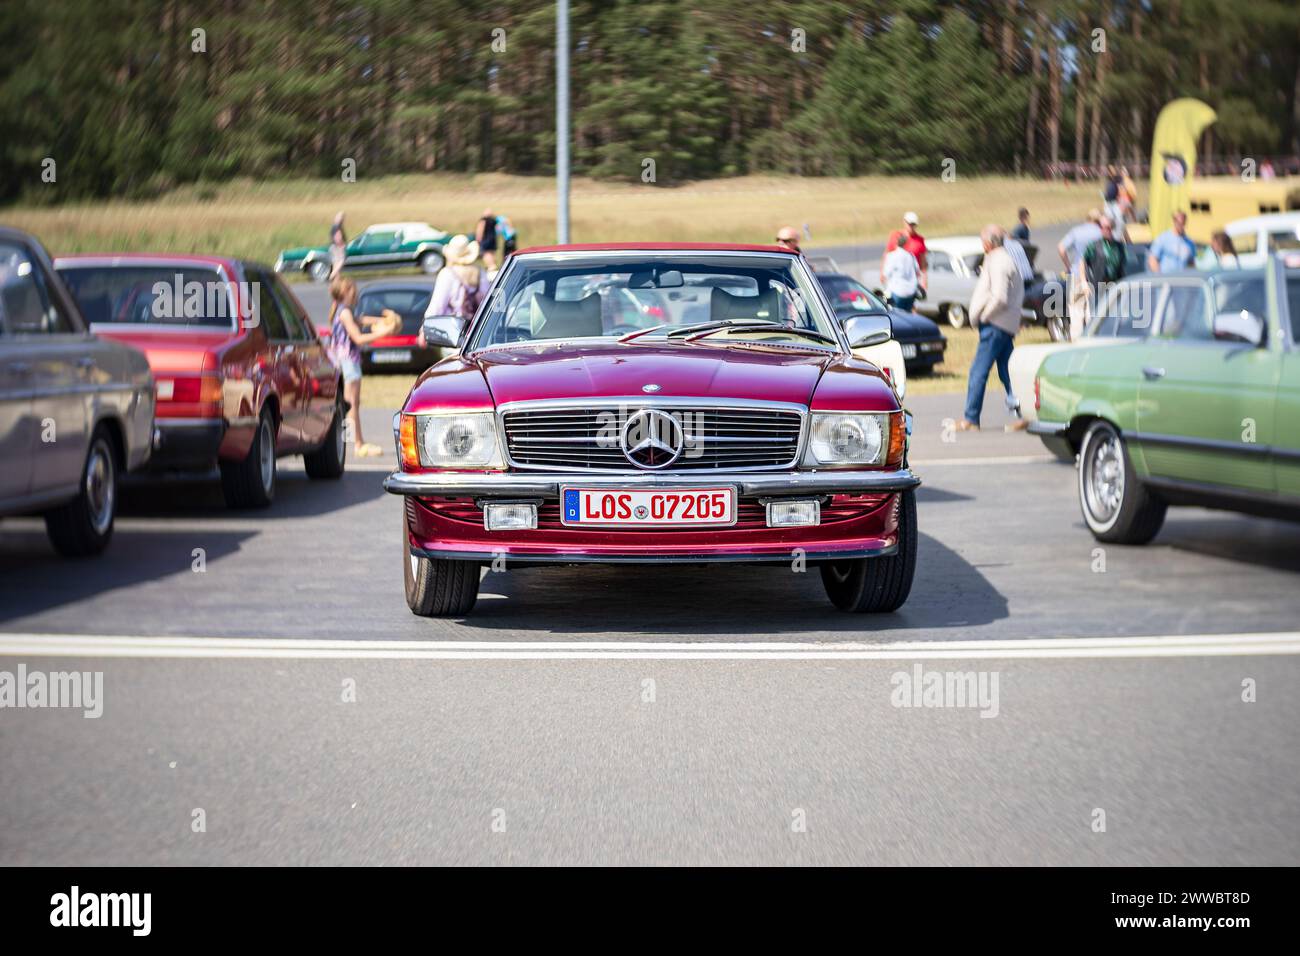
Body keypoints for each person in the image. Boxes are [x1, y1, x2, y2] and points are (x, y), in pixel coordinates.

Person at [959, 225, 1025, 432]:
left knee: (978, 371)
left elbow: (1000, 297)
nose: (982, 244)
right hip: (1002, 325)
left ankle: (971, 419)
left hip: (995, 325)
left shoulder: (999, 261)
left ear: (989, 242)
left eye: (982, 240)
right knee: (1008, 373)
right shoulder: (1001, 259)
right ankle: (1025, 414)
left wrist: (984, 316)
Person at [327, 277, 397, 457]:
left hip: (344, 361)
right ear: (344, 292)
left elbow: (362, 320)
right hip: (349, 361)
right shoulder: (345, 313)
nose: (355, 293)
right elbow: (358, 338)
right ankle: (358, 444)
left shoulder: (343, 311)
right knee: (352, 404)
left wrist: (382, 320)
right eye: (352, 290)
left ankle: (349, 441)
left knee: (348, 403)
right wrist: (385, 333)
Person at [1058, 209, 1103, 340]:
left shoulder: (1077, 231)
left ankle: (1076, 340)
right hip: (1094, 276)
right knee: (1092, 311)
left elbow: (1061, 247)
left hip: (1076, 274)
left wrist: (1068, 266)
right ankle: (1091, 339)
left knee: (1076, 312)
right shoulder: (1100, 233)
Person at [425, 235, 487, 322]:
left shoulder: (448, 274)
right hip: (477, 327)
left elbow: (437, 307)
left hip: (454, 328)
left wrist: (425, 326)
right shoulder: (480, 272)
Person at [1081, 217, 1127, 307]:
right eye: (1104, 227)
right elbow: (1083, 262)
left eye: (1109, 227)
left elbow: (1124, 265)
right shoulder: (1094, 245)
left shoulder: (1119, 246)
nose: (1106, 230)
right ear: (1101, 229)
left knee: (1114, 315)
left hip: (1115, 286)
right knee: (1098, 316)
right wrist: (1084, 282)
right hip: (1097, 287)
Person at [886, 212, 928, 294]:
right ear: (904, 222)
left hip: (912, 278)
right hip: (897, 277)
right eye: (909, 224)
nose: (911, 226)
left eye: (913, 224)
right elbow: (887, 255)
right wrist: (883, 273)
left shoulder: (920, 240)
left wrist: (924, 280)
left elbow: (923, 263)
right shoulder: (896, 236)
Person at [881, 241, 920, 312]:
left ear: (897, 244)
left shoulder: (892, 255)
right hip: (911, 291)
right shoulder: (911, 256)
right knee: (908, 316)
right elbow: (917, 272)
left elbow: (886, 273)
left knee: (897, 315)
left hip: (897, 291)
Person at [329, 212, 347, 279]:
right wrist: (342, 245)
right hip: (337, 247)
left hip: (333, 246)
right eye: (342, 218)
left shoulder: (334, 226)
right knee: (341, 260)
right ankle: (332, 275)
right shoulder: (337, 226)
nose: (342, 220)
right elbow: (338, 237)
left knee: (335, 263)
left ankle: (336, 281)